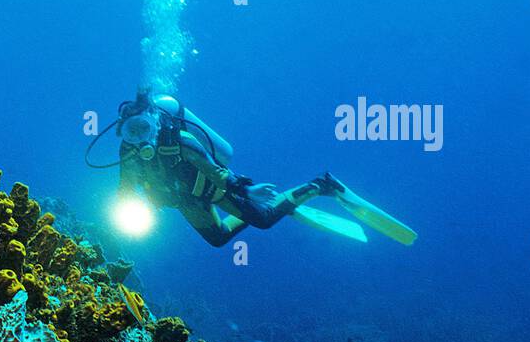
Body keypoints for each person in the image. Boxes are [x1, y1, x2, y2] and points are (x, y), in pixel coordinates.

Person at [109, 90, 416, 247]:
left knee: (264, 221)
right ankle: (277, 204)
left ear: (152, 122)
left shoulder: (181, 142)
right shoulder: (128, 153)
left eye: (142, 127)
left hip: (211, 187)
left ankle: (321, 185)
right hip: (184, 200)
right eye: (131, 131)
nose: (139, 137)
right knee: (218, 239)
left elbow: (216, 172)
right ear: (122, 131)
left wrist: (247, 189)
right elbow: (124, 188)